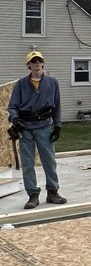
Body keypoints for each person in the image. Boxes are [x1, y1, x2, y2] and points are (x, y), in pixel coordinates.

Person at [7, 51, 67, 209]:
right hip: (26, 128)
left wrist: (58, 125)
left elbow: (57, 105)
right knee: (27, 163)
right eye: (33, 62)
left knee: (49, 161)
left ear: (43, 63)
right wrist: (15, 119)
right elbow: (12, 107)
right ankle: (32, 195)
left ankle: (53, 192)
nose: (36, 64)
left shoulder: (52, 83)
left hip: (45, 126)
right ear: (28, 65)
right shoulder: (21, 84)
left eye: (39, 61)